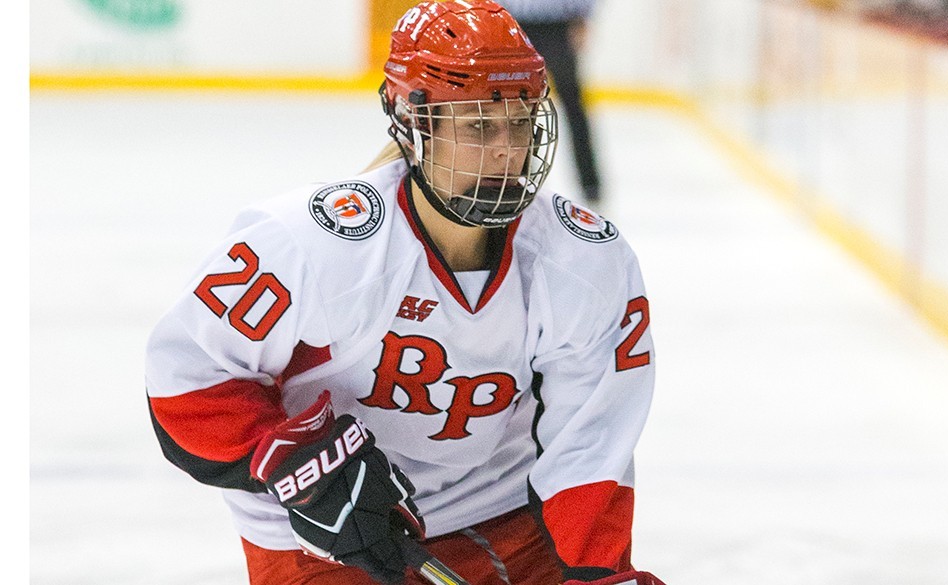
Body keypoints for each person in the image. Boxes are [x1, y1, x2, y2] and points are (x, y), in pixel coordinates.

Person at [145, 2, 662, 584]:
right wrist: (294, 461)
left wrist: (600, 575)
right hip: (323, 542)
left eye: (520, 123)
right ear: (415, 123)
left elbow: (589, 447)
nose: (506, 150)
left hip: (508, 514)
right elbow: (188, 377)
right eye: (479, 126)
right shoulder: (314, 244)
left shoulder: (581, 261)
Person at [496, 0, 604, 205]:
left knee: (573, 107)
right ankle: (516, 178)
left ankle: (590, 184)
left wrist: (583, 17)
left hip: (558, 25)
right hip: (515, 24)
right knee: (515, 106)